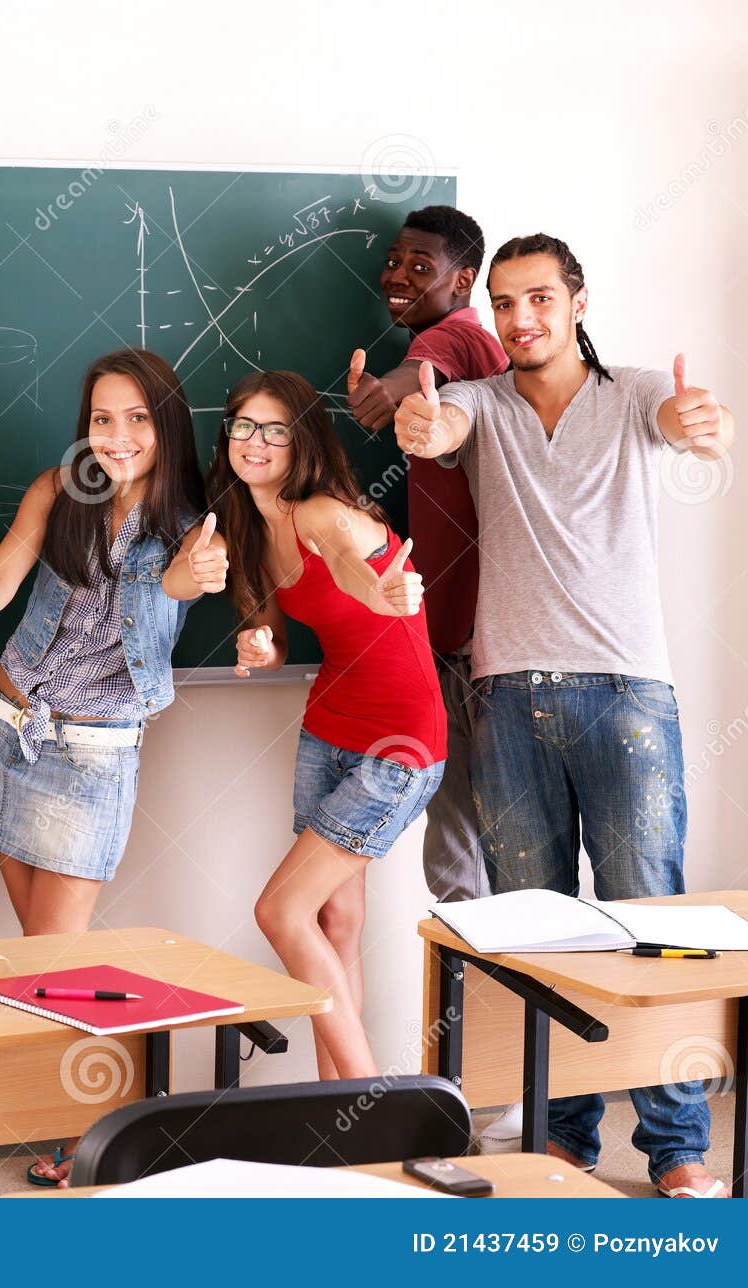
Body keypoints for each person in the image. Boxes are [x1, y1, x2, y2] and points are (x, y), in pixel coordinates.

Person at [394, 232, 735, 1198]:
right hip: (505, 696)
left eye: (538, 298)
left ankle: (674, 1147)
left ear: (577, 300)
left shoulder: (633, 392)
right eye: (503, 304)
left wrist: (704, 422)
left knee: (649, 923)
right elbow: (440, 428)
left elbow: (690, 423)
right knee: (535, 931)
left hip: (629, 692)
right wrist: (423, 433)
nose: (520, 319)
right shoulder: (479, 403)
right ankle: (562, 1138)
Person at [0, 349, 218, 1184]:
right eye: (102, 419)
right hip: (8, 729)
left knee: (56, 957)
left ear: (167, 425)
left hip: (91, 751)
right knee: (36, 959)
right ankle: (65, 1120)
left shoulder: (191, 528)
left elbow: (176, 610)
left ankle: (88, 1129)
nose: (116, 437)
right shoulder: (59, 489)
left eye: (137, 421)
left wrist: (184, 584)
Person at [212, 370, 444, 1082]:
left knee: (280, 911)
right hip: (327, 729)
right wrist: (260, 647)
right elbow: (272, 633)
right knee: (333, 923)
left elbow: (348, 567)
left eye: (275, 429)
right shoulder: (246, 532)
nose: (256, 442)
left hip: (402, 742)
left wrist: (380, 587)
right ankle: (336, 1110)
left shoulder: (320, 513)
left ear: (301, 441)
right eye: (244, 426)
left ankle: (379, 1108)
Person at [344, 205, 509, 904]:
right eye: (393, 261)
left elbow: (422, 370)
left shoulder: (460, 336)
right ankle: (471, 998)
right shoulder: (454, 341)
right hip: (454, 628)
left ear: (464, 279)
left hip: (477, 637)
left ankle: (482, 1000)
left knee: (474, 842)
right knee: (468, 830)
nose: (397, 277)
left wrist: (389, 389)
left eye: (420, 266)